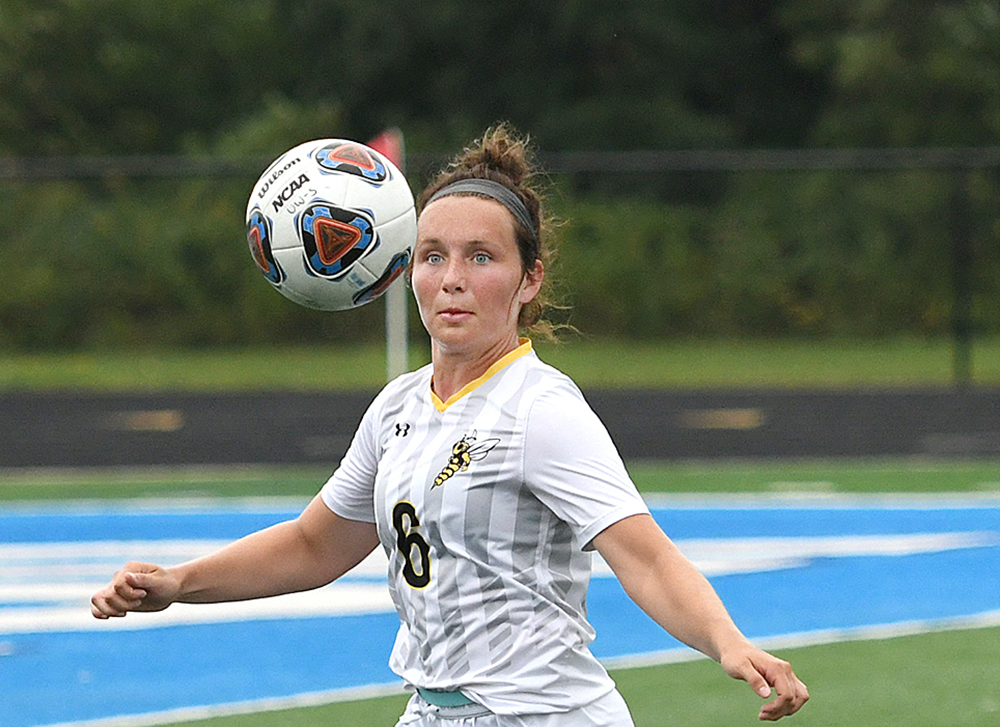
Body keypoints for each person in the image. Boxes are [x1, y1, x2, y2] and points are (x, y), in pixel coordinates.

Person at [92, 124, 809, 726]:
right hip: (430, 712)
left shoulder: (542, 410)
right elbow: (315, 545)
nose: (452, 278)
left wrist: (726, 641)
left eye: (482, 257)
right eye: (433, 256)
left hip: (542, 714)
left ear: (528, 279)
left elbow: (645, 558)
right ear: (407, 270)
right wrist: (179, 582)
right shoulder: (397, 408)